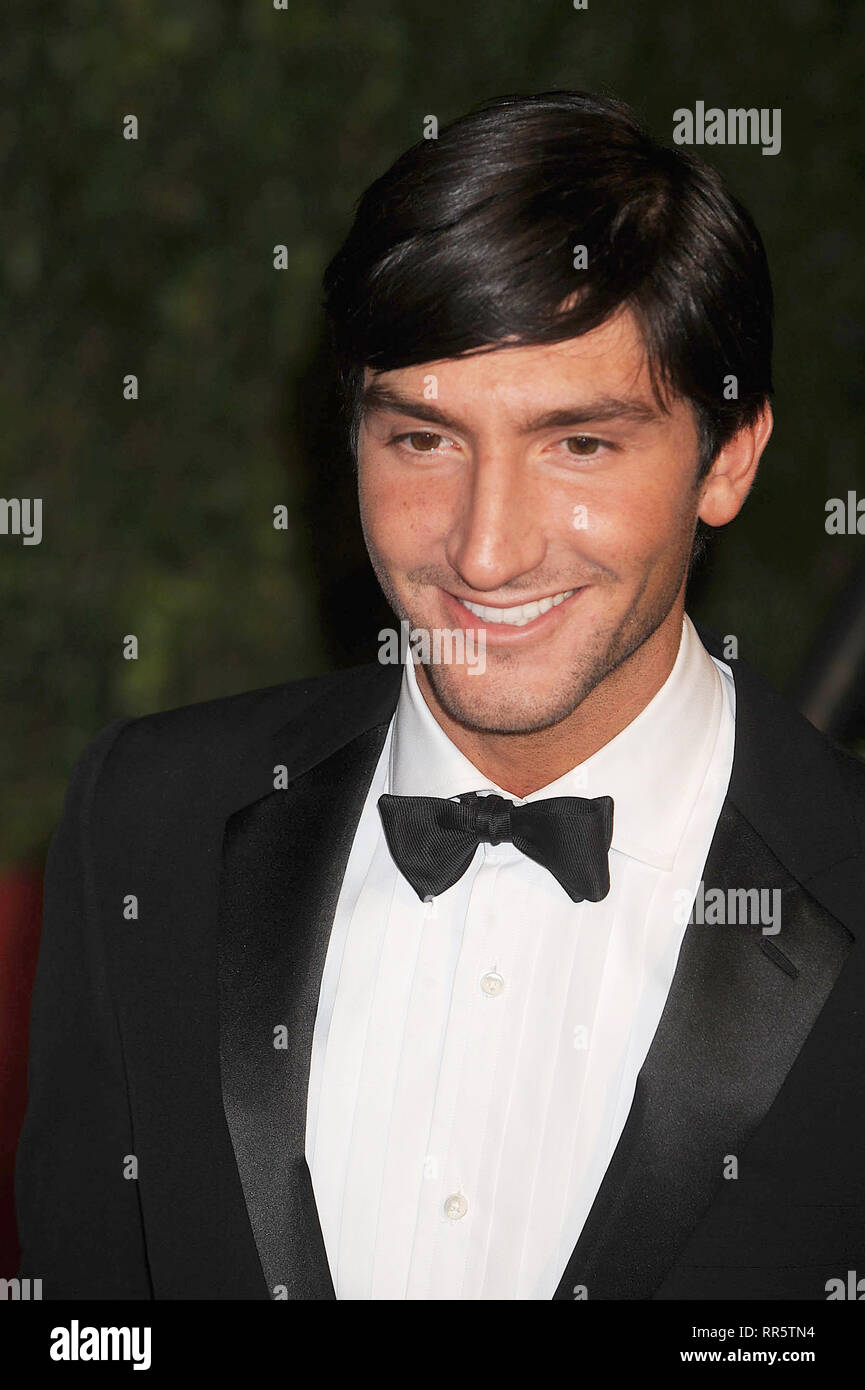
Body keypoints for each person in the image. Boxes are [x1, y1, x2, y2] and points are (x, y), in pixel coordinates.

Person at [15, 90, 865, 1301]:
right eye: (423, 440)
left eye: (580, 444)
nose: (484, 549)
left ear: (727, 458)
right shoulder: (147, 819)